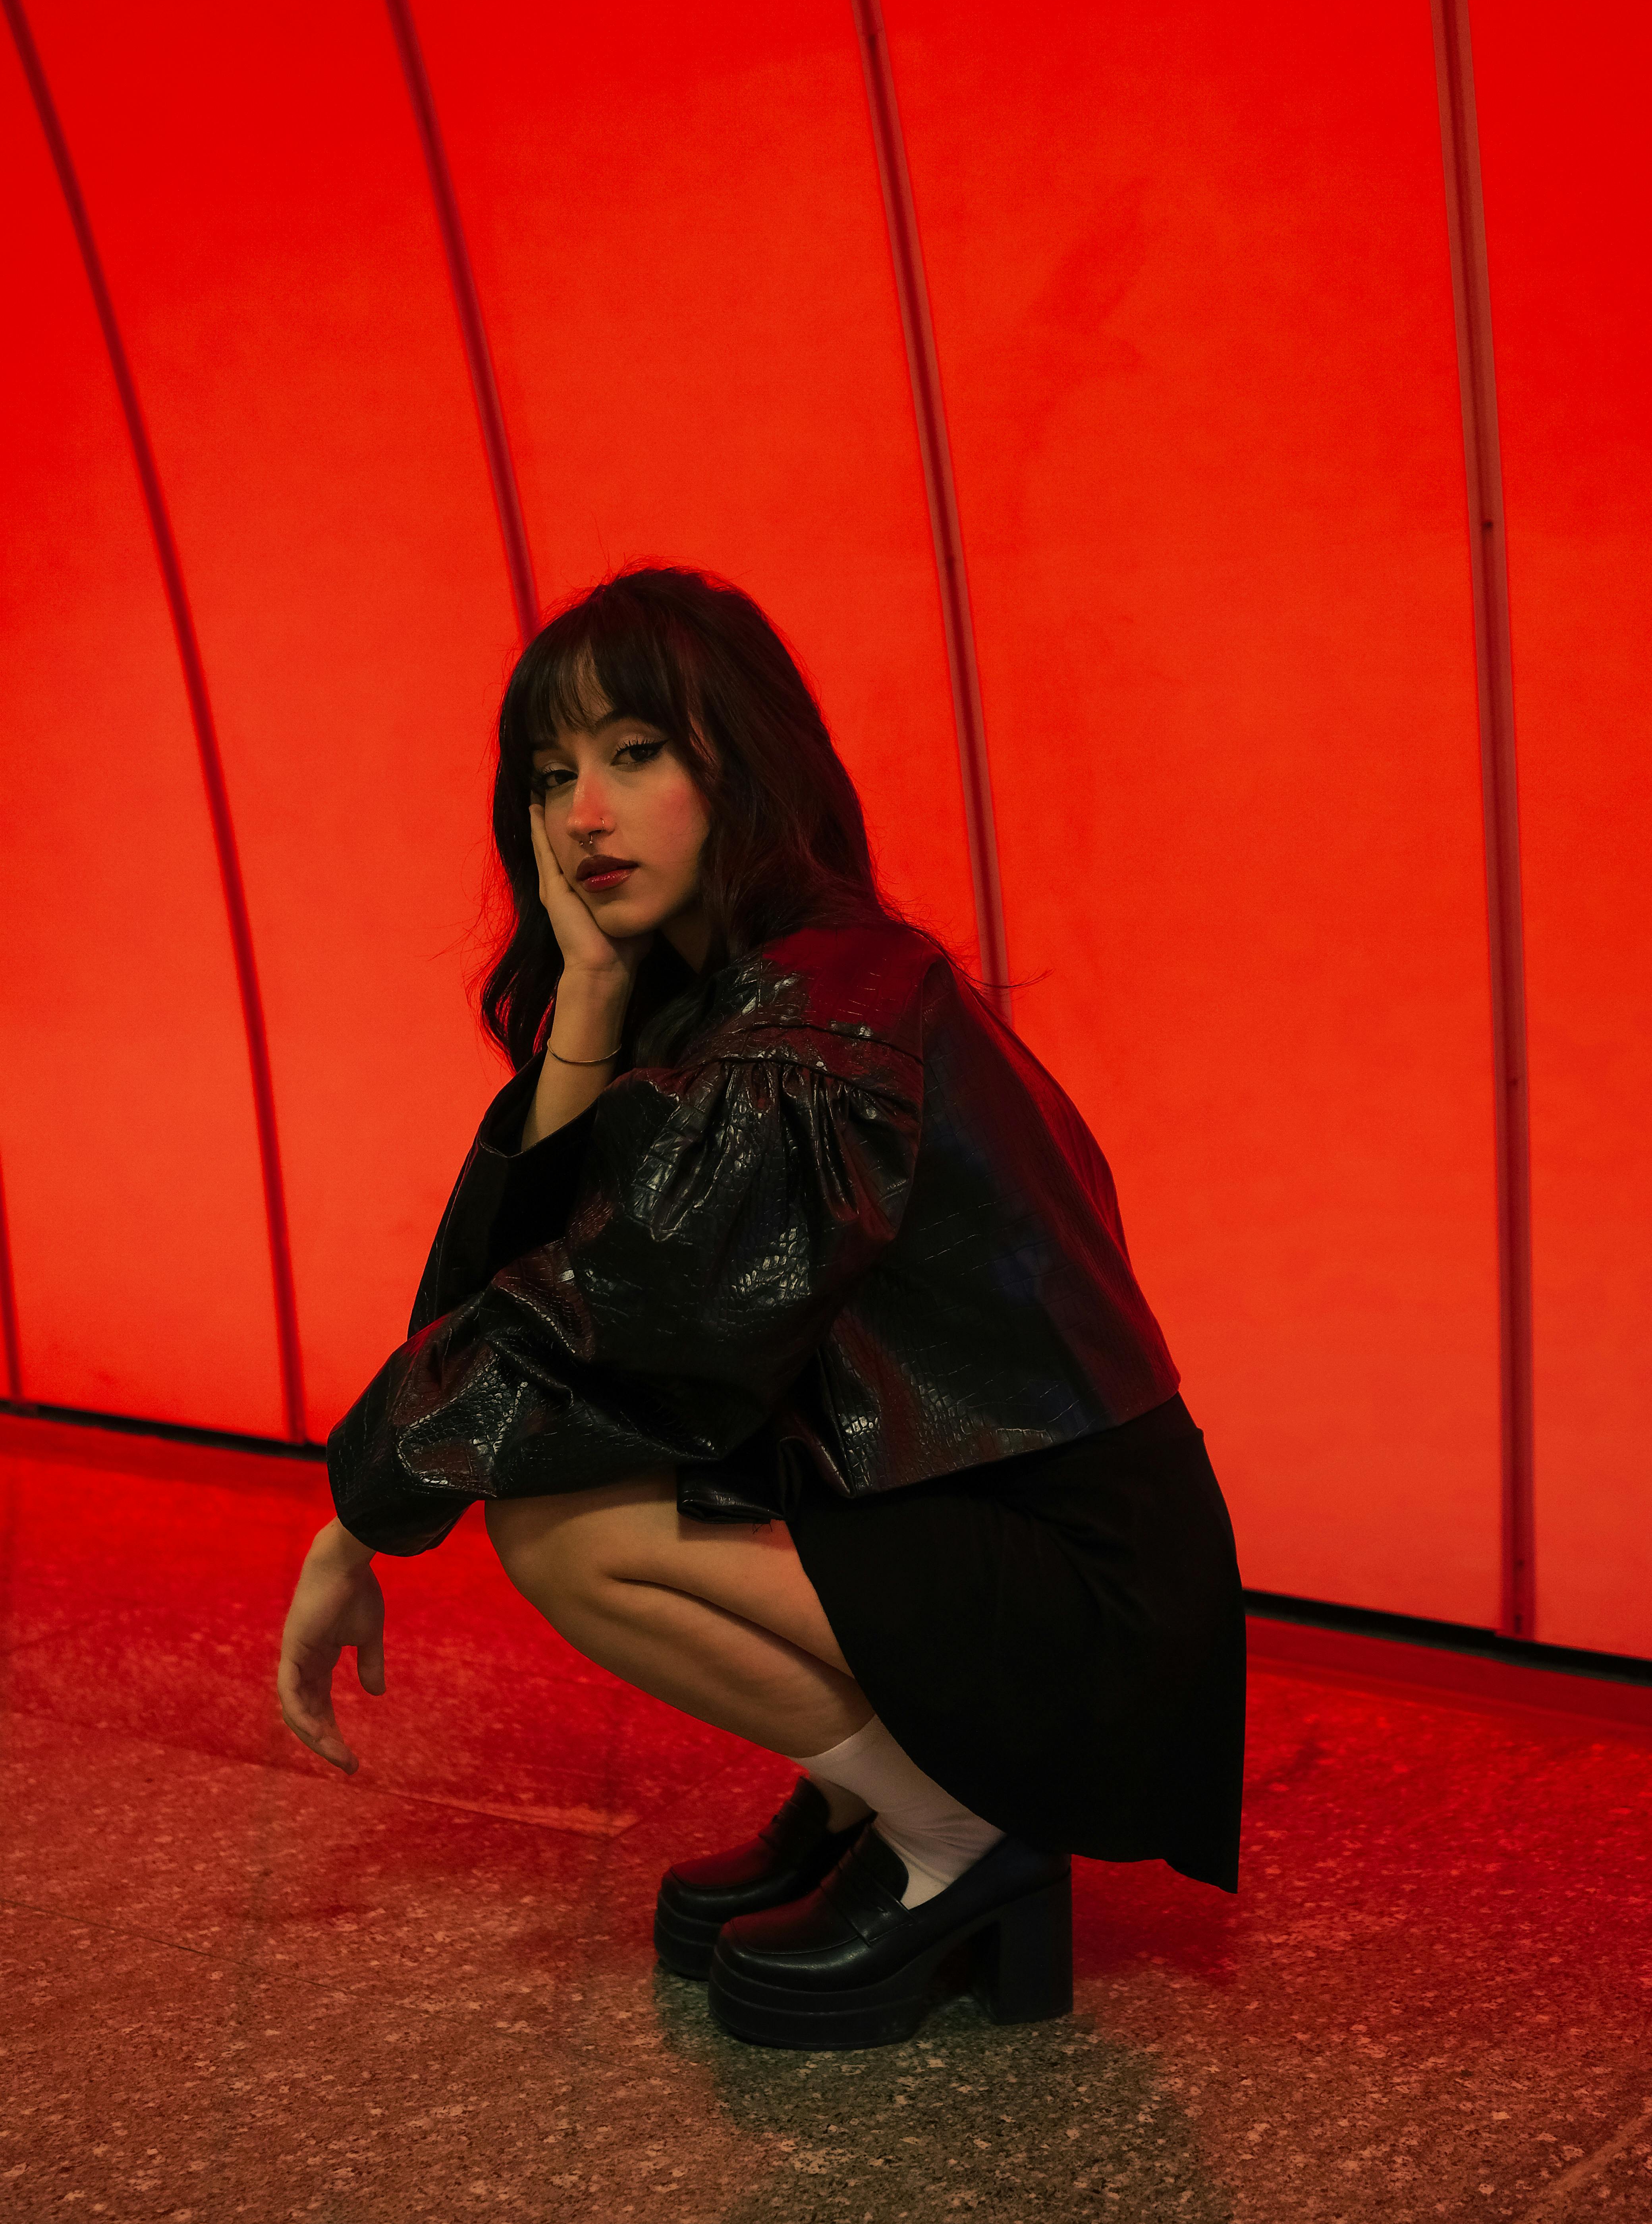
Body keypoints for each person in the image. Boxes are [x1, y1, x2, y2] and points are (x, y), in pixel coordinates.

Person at [276, 564, 1245, 2052]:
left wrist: (361, 1515)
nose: (582, 815)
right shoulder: (736, 994)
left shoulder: (824, 1008)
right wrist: (585, 1008)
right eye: (552, 775)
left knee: (572, 1526)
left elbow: (609, 1323)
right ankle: (875, 1799)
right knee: (572, 1478)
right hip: (968, 1527)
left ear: (744, 757)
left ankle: (955, 1836)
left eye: (635, 755)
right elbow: (510, 1280)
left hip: (1085, 1594)